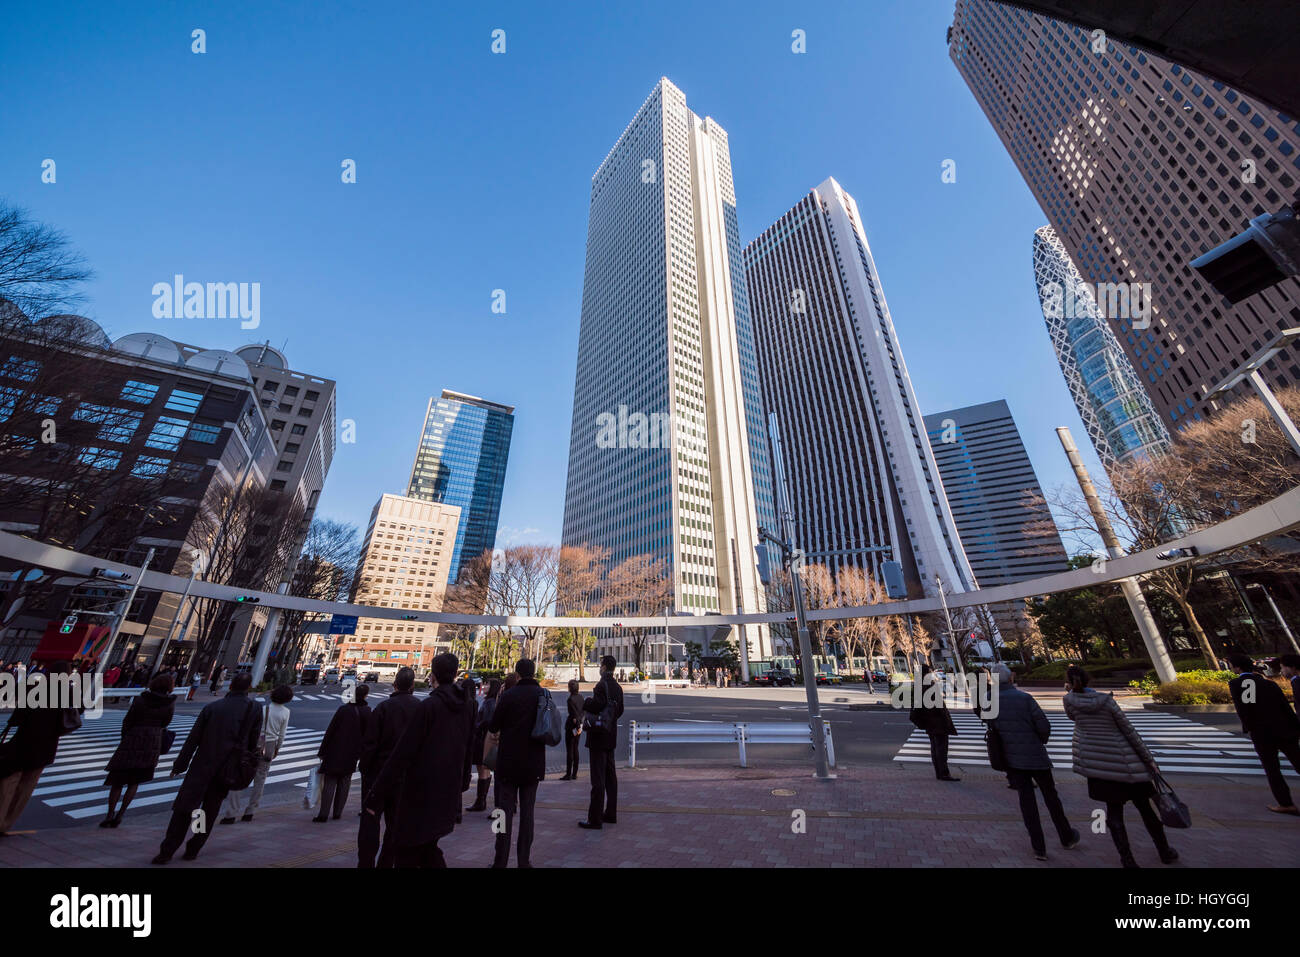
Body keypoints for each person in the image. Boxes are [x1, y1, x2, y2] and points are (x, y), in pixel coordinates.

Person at [1063, 665, 1177, 868]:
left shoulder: (1069, 700)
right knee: (1146, 809)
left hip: (1097, 763)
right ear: (1089, 680)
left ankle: (1127, 859)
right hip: (1126, 762)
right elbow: (1128, 730)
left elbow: (1073, 718)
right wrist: (1148, 759)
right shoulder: (1106, 701)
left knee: (1114, 812)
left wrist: (1071, 692)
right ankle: (1165, 851)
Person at [364, 654, 471, 867]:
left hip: (420, 792)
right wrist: (463, 782)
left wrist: (375, 794)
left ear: (432, 676)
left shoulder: (429, 706)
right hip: (447, 790)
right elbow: (467, 749)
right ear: (456, 674)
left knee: (409, 848)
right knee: (428, 848)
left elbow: (402, 754)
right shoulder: (466, 707)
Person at [152, 672, 261, 864]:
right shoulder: (254, 709)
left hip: (202, 764)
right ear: (248, 687)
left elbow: (193, 739)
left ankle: (167, 849)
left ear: (231, 685)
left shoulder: (213, 707)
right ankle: (193, 847)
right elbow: (253, 741)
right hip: (227, 768)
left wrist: (180, 765)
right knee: (208, 810)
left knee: (185, 808)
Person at [984, 665, 1079, 860]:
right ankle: (1066, 836)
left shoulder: (989, 701)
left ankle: (1039, 848)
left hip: (1011, 758)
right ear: (1010, 678)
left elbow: (990, 725)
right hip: (1035, 755)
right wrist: (1038, 740)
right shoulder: (1024, 698)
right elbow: (1043, 726)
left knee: (1027, 802)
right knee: (1051, 798)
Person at [0, 661, 79, 835]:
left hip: (25, 740)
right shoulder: (69, 692)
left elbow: (18, 717)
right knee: (27, 785)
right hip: (47, 745)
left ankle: (0, 818)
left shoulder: (38, 687)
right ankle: (7, 823)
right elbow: (75, 715)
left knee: (9, 780)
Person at [357, 666, 422, 867]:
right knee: (395, 825)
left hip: (377, 774)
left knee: (369, 821)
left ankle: (365, 863)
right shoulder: (421, 709)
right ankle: (386, 862)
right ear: (412, 685)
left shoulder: (383, 708)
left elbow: (369, 745)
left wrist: (366, 770)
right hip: (405, 777)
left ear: (395, 684)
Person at [487, 658, 547, 867]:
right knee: (528, 814)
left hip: (508, 763)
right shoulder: (543, 695)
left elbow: (494, 726)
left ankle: (500, 860)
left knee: (503, 813)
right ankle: (524, 861)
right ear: (533, 673)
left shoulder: (509, 695)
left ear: (518, 674)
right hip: (534, 763)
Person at [1227, 652, 1300, 815]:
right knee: (1298, 760)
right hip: (1286, 730)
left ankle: (1286, 803)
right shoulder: (1269, 684)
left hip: (1263, 734)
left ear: (1237, 668)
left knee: (1272, 769)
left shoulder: (1241, 684)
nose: (1231, 668)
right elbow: (1286, 708)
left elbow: (1247, 708)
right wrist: (1296, 728)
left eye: (1231, 665)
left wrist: (1250, 727)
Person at [101, 673, 177, 827]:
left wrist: (126, 736)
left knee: (118, 780)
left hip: (133, 737)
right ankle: (121, 814)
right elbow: (166, 722)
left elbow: (129, 719)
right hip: (152, 741)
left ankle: (110, 814)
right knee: (135, 781)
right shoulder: (169, 703)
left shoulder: (141, 699)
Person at [220, 684, 293, 824]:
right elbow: (282, 735)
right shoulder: (286, 712)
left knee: (240, 775)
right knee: (261, 779)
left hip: (255, 743)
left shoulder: (262, 708)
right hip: (270, 745)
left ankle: (231, 813)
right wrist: (277, 748)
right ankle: (250, 811)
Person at [579, 655, 625, 830]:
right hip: (610, 734)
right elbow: (619, 710)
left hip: (598, 737)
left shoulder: (601, 685)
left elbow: (596, 705)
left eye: (601, 665)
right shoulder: (618, 687)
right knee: (610, 777)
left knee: (597, 778)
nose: (600, 667)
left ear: (604, 667)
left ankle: (595, 818)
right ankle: (610, 813)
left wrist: (587, 702)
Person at [314, 684, 371, 822]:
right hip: (352, 752)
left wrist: (322, 751)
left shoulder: (343, 709)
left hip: (334, 749)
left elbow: (331, 730)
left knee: (330, 781)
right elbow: (368, 734)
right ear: (365, 695)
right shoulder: (367, 711)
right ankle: (337, 812)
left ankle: (323, 814)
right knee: (345, 781)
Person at [909, 664, 960, 782]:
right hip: (938, 722)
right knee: (941, 749)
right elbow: (938, 707)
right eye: (930, 672)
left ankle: (939, 772)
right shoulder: (929, 687)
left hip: (930, 723)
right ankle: (944, 773)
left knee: (935, 748)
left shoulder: (919, 687)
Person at [465, 678, 503, 812]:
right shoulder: (493, 702)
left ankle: (480, 801)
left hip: (482, 739)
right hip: (485, 739)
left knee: (482, 769)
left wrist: (476, 726)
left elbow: (486, 721)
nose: (484, 686)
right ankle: (481, 801)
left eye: (487, 684)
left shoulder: (489, 703)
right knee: (485, 769)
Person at [561, 679, 584, 781]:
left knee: (569, 750)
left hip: (572, 726)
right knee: (576, 749)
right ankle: (575, 773)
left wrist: (577, 725)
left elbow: (574, 715)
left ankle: (568, 773)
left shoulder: (570, 699)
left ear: (570, 688)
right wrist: (580, 726)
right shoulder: (581, 697)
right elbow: (583, 712)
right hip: (579, 726)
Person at [1277, 653, 1300, 718]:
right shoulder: (1295, 681)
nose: (1281, 671)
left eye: (1282, 667)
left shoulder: (1296, 682)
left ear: (1292, 667)